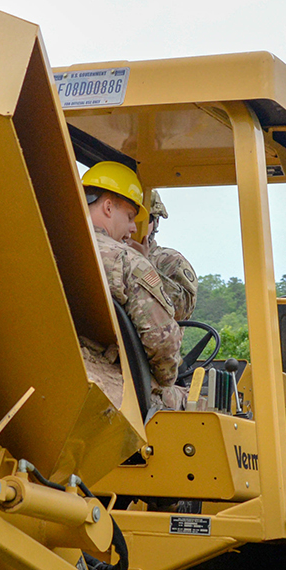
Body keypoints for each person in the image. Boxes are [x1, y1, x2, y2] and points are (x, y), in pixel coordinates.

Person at [81, 161, 184, 408]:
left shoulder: (44, 244)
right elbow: (162, 341)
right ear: (107, 206)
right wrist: (165, 377)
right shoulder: (127, 261)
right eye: (129, 217)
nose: (130, 230)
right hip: (111, 386)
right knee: (193, 401)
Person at [138, 190, 196, 323]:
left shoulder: (170, 260)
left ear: (155, 221)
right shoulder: (108, 255)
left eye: (144, 220)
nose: (135, 226)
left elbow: (180, 311)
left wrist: (141, 264)